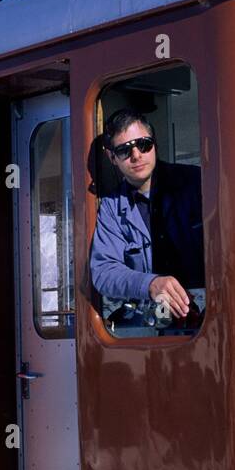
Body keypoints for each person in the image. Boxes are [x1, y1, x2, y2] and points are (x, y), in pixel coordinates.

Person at [89, 109, 204, 320]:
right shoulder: (111, 208)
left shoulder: (197, 183)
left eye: (143, 144)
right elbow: (104, 271)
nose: (136, 155)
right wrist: (149, 284)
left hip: (208, 319)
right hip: (150, 326)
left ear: (154, 143)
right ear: (112, 157)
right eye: (124, 150)